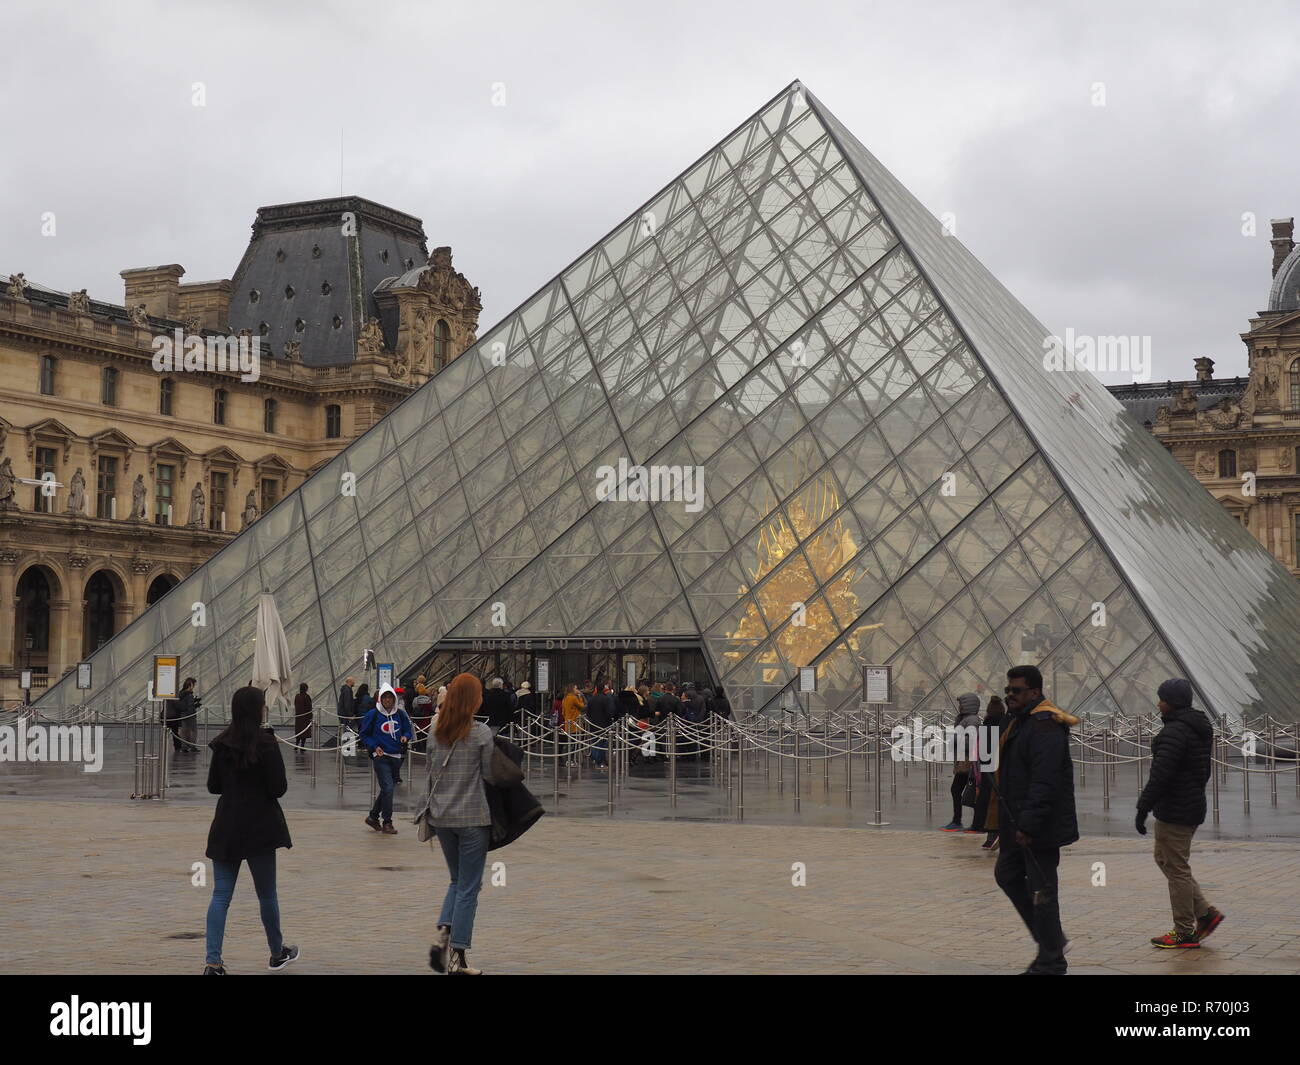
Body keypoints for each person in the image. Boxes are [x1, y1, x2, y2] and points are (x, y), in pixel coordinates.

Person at [203, 685, 298, 975]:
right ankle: (276, 953)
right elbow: (279, 788)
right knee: (267, 895)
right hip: (260, 826)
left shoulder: (221, 743)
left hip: (228, 825)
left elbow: (213, 786)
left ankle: (213, 962)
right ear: (258, 710)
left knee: (221, 896)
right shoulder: (267, 743)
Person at [994, 665, 1079, 975]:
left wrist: (1028, 824)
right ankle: (1052, 944)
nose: (1009, 695)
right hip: (1019, 822)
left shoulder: (1044, 726)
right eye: (1008, 690)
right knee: (1007, 874)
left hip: (1038, 826)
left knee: (1043, 891)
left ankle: (1051, 959)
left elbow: (1045, 780)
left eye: (1015, 690)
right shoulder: (1021, 721)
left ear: (1034, 691)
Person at [1137, 678, 1223, 948]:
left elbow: (1161, 775)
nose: (1158, 702)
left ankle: (1184, 931)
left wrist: (1143, 807)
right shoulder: (1196, 727)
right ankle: (1206, 914)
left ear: (1172, 702)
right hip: (1189, 804)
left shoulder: (1175, 732)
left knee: (1176, 868)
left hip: (1176, 809)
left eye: (1161, 698)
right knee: (1165, 859)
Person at [420, 672, 495, 975]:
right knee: (469, 887)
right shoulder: (480, 733)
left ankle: (444, 935)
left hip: (441, 817)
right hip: (473, 818)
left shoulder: (435, 729)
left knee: (456, 880)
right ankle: (457, 957)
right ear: (474, 699)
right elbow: (490, 775)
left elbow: (429, 769)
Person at [360, 684, 413, 834]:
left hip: (396, 756)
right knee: (388, 788)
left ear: (394, 698)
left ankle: (373, 817)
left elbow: (407, 730)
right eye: (385, 697)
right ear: (380, 698)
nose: (388, 700)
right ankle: (387, 822)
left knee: (387, 789)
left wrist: (405, 737)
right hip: (381, 756)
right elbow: (364, 734)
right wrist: (374, 746)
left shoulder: (400, 714)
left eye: (390, 697)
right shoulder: (373, 714)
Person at [941, 693, 981, 831]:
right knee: (966, 790)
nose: (959, 706)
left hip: (968, 762)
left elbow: (971, 741)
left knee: (960, 790)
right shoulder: (966, 719)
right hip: (964, 760)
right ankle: (966, 822)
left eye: (961, 703)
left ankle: (961, 821)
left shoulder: (972, 720)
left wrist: (956, 740)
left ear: (967, 705)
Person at [971, 696, 1005, 849]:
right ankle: (1000, 833)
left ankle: (990, 836)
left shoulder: (986, 727)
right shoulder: (1007, 725)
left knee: (988, 804)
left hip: (988, 770)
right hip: (1003, 769)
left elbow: (982, 754)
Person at [584, 684, 615, 769]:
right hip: (603, 724)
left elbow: (588, 712)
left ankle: (595, 759)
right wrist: (610, 722)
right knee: (602, 744)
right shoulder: (605, 699)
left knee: (594, 742)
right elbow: (608, 712)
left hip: (593, 724)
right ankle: (599, 761)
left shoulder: (591, 699)